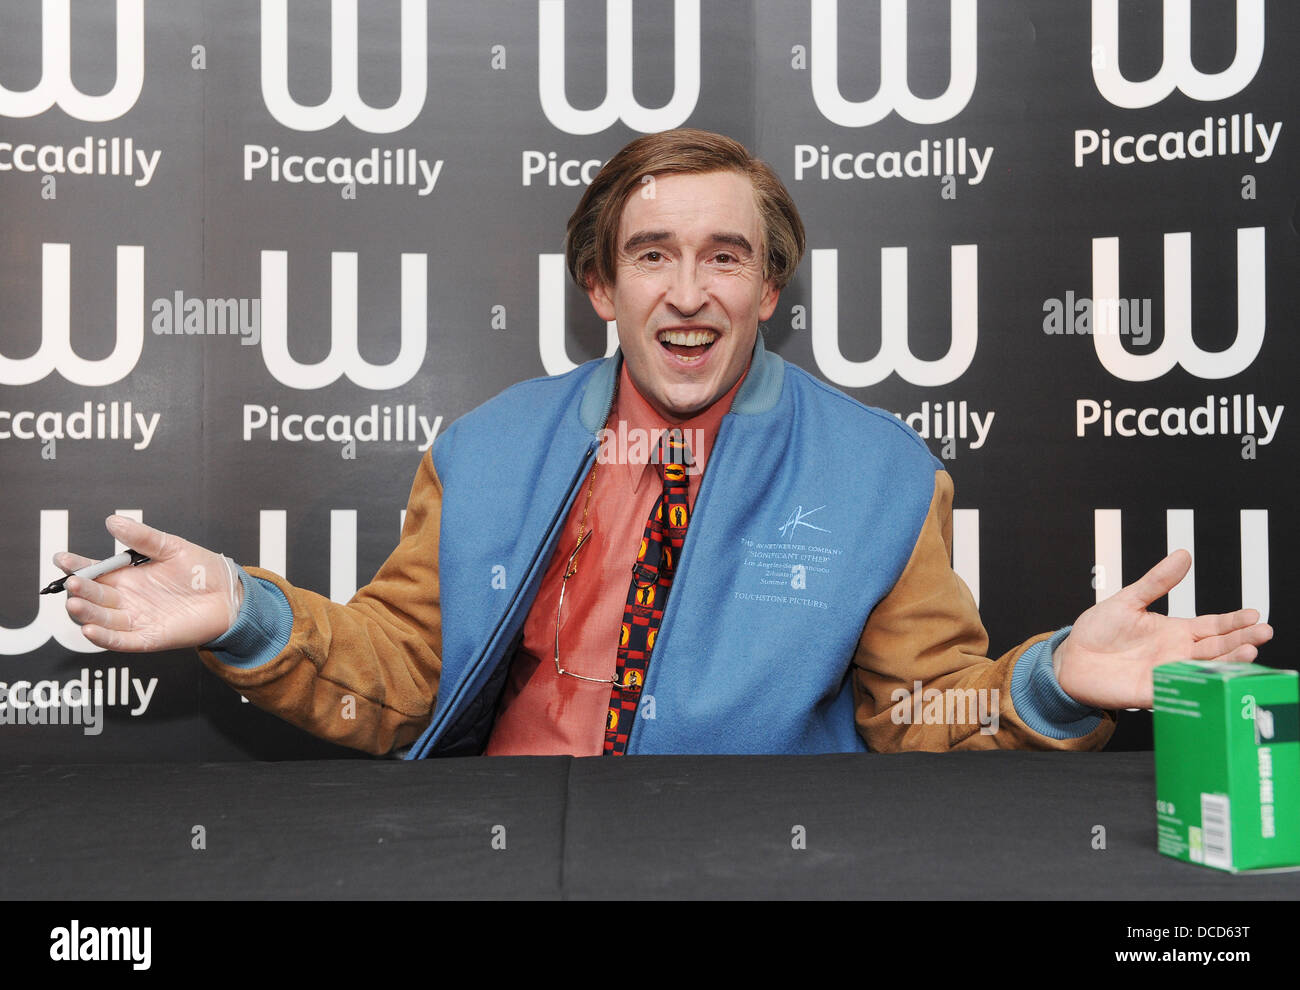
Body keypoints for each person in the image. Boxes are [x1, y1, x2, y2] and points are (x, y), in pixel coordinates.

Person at [57, 129, 1272, 758]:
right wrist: (244, 614)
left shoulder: (883, 474)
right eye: (652, 255)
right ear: (601, 285)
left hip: (757, 862)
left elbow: (920, 717)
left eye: (724, 257)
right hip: (509, 841)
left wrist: (1054, 680)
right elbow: (404, 679)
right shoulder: (484, 449)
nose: (688, 293)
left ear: (768, 290)